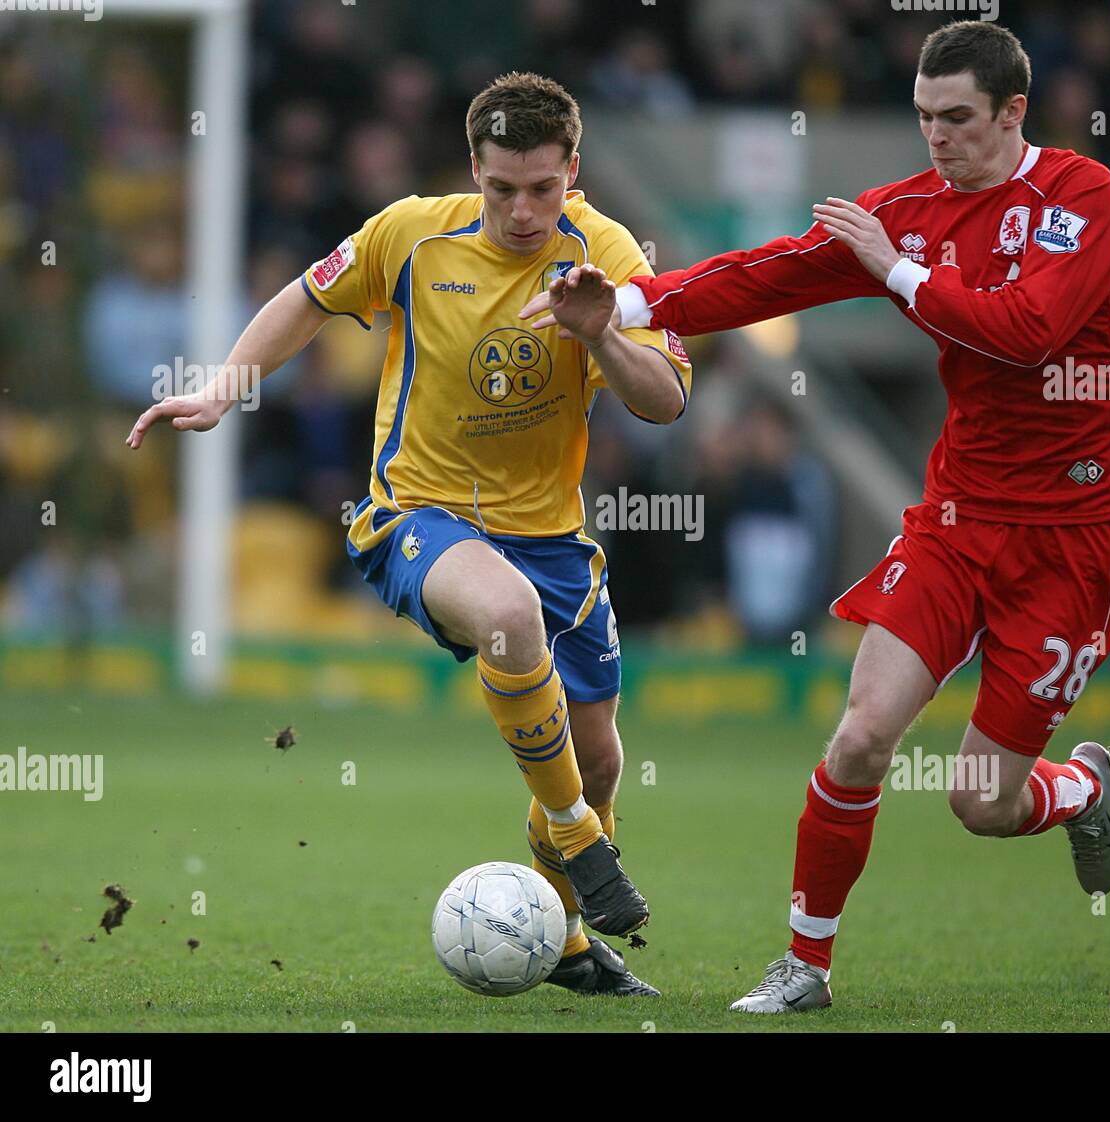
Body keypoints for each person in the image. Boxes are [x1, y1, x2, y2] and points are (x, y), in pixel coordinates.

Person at [524, 20, 1110, 1013]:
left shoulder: (1080, 196)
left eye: (957, 119)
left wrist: (896, 271)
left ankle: (1078, 789)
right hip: (959, 517)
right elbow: (772, 272)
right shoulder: (899, 212)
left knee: (980, 803)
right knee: (862, 734)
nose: (937, 138)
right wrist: (632, 303)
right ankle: (805, 966)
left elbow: (1028, 333)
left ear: (1011, 113)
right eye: (922, 118)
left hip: (1080, 531)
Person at [127, 71, 693, 997]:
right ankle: (584, 845)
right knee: (508, 618)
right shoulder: (411, 233)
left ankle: (562, 944)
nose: (520, 209)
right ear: (474, 168)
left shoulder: (610, 253)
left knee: (598, 758)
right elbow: (305, 299)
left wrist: (602, 336)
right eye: (501, 186)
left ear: (573, 172)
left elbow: (667, 401)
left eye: (542, 188)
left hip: (554, 538)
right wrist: (223, 386)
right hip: (418, 516)